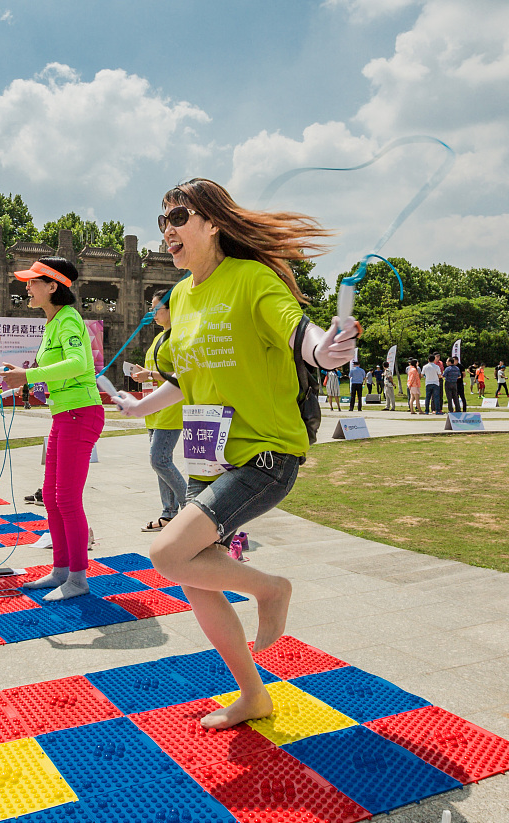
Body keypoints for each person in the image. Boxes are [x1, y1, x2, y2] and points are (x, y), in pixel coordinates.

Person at [114, 177, 357, 729]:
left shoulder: (251, 278)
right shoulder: (180, 296)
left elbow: (302, 336)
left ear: (213, 223)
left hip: (265, 453)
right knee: (197, 581)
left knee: (168, 554)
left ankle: (272, 589)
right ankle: (254, 695)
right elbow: (183, 375)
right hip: (208, 456)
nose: (167, 231)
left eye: (179, 218)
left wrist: (326, 347)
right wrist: (137, 407)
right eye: (163, 221)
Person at [1, 257, 104, 600]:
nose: (26, 287)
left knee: (67, 499)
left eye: (32, 282)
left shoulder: (69, 319)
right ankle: (61, 571)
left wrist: (28, 375)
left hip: (80, 414)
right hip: (64, 416)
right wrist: (23, 374)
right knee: (53, 497)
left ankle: (77, 578)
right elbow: (61, 367)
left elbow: (78, 363)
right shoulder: (55, 322)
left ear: (53, 286)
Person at [130, 291, 186, 532]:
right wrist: (144, 373)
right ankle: (168, 514)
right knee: (161, 462)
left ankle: (195, 511)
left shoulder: (180, 337)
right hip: (154, 410)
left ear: (172, 309)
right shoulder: (159, 337)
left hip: (171, 410)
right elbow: (158, 371)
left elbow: (182, 375)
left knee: (159, 460)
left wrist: (150, 374)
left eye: (156, 309)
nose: (152, 313)